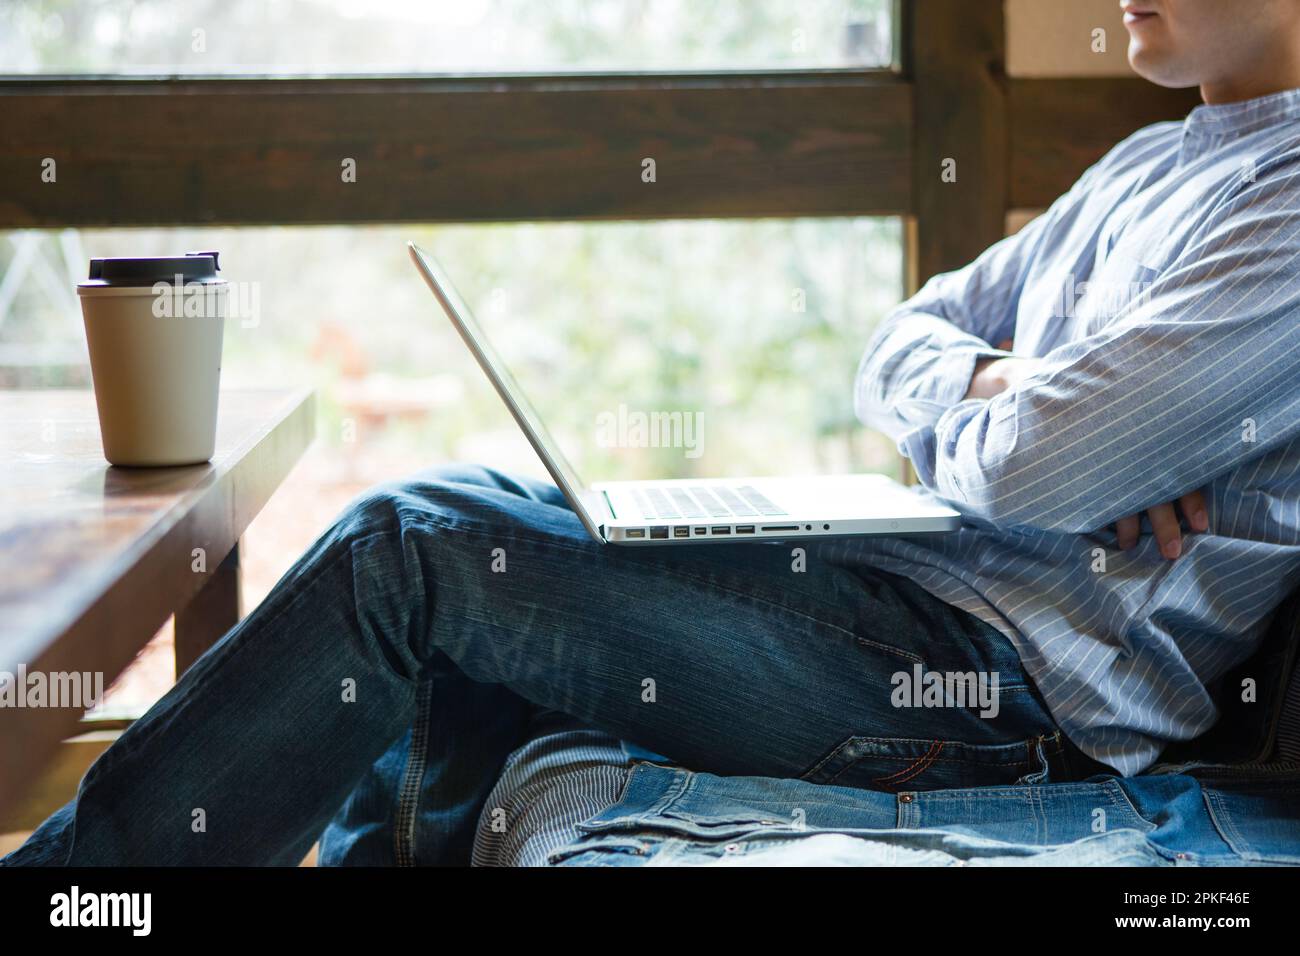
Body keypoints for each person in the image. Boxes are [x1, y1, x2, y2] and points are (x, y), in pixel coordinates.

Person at [8, 0, 1300, 865]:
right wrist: (1014, 387)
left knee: (417, 550)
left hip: (1009, 691)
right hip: (916, 593)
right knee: (476, 520)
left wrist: (1031, 427)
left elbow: (1039, 463)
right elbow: (900, 339)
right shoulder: (1151, 163)